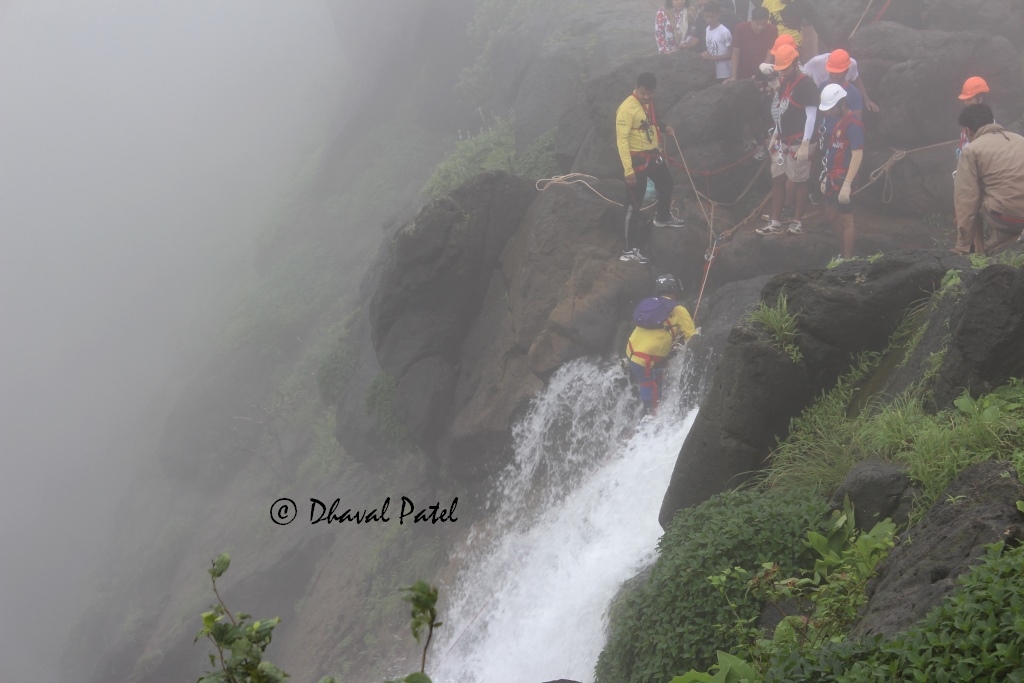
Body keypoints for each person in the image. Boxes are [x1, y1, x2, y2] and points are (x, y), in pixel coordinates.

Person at [616, 72, 685, 264]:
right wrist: (628, 170)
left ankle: (662, 217)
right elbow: (621, 140)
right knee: (633, 204)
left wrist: (664, 128)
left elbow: (649, 121)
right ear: (636, 87)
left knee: (666, 183)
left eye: (650, 93)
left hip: (652, 153)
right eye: (643, 93)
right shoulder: (626, 108)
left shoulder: (648, 103)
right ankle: (628, 249)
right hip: (636, 158)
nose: (646, 96)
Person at [756, 44, 819, 236]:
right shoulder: (786, 82)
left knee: (799, 180)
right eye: (780, 69)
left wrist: (806, 143)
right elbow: (783, 109)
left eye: (785, 68)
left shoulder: (806, 84)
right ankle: (775, 222)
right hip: (783, 139)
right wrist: (776, 132)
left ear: (795, 63)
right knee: (778, 178)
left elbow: (811, 116)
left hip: (799, 140)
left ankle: (797, 222)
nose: (783, 72)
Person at [953, 104, 1024, 255]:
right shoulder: (1020, 140)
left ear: (967, 130)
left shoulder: (972, 151)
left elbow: (966, 201)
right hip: (1018, 218)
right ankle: (1008, 243)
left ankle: (977, 253)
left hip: (1006, 219)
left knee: (973, 199)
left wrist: (961, 245)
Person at [625, 274, 696, 415]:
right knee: (652, 398)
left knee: (655, 381)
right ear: (675, 291)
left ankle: (649, 416)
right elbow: (692, 337)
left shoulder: (649, 303)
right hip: (646, 360)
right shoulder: (678, 310)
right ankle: (647, 425)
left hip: (631, 353)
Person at [819, 84, 864, 258]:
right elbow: (833, 150)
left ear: (842, 104)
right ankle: (842, 252)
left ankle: (848, 259)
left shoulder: (853, 125)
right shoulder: (839, 123)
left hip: (844, 176)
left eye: (831, 108)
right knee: (830, 214)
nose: (828, 112)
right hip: (833, 175)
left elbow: (857, 154)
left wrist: (847, 184)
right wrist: (825, 175)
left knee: (846, 219)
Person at [803, 49, 879, 113]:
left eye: (838, 73)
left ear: (847, 70)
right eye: (832, 72)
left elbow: (856, 78)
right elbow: (802, 78)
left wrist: (867, 100)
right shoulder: (815, 63)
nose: (834, 76)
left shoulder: (853, 94)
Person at [726, 7, 778, 82]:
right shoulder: (740, 28)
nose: (760, 27)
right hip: (743, 72)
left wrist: (760, 75)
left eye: (763, 24)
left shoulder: (772, 30)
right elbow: (735, 53)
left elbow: (770, 54)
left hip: (762, 73)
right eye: (757, 24)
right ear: (751, 20)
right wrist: (734, 76)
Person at [701, 2, 733, 80]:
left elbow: (731, 54)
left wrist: (712, 58)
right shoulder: (707, 29)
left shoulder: (724, 32)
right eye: (706, 16)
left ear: (718, 15)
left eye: (711, 17)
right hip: (713, 71)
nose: (709, 19)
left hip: (726, 73)